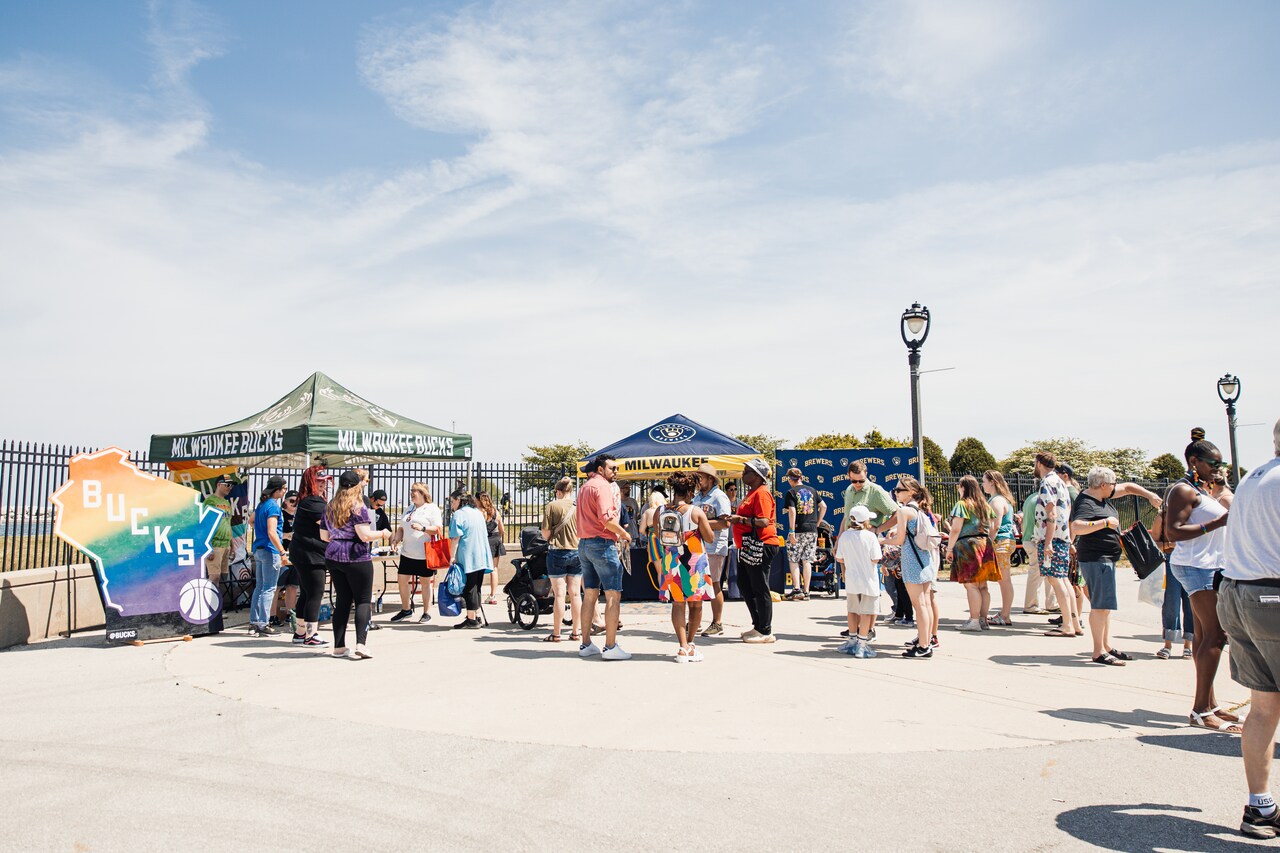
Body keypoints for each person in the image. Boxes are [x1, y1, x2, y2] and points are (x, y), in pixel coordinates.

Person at [1216, 418, 1280, 838]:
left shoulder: (1256, 476)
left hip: (1238, 593)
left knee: (1263, 707)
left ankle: (1260, 808)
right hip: (1271, 596)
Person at [1165, 437, 1236, 732]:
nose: (1217, 469)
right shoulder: (1182, 489)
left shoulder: (1199, 489)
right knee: (1216, 637)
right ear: (1194, 461)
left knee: (1206, 636)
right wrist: (1215, 524)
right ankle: (1200, 710)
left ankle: (1210, 704)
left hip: (1206, 566)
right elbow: (1173, 531)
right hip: (1196, 567)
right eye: (1213, 463)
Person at [1070, 466, 1162, 665]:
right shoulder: (1086, 502)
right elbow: (1076, 527)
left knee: (1106, 607)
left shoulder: (1102, 496)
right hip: (1096, 559)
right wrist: (1104, 523)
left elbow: (1128, 487)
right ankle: (1098, 652)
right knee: (1100, 606)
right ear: (1102, 485)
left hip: (1106, 558)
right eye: (1112, 484)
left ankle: (1106, 646)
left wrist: (1149, 495)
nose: (1115, 487)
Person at [321, 469, 389, 659]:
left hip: (333, 556)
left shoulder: (329, 507)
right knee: (363, 600)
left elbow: (323, 536)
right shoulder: (358, 507)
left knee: (342, 600)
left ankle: (339, 646)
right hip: (356, 555)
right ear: (357, 485)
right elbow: (364, 535)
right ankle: (361, 643)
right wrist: (384, 533)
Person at [652, 472, 716, 662]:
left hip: (672, 561)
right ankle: (691, 643)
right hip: (694, 562)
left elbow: (658, 535)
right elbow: (710, 538)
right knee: (696, 604)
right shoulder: (695, 511)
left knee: (678, 604)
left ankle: (682, 647)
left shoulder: (660, 511)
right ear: (690, 491)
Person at [576, 454, 633, 660]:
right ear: (601, 470)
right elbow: (607, 519)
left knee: (590, 594)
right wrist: (625, 534)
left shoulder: (584, 488)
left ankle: (585, 644)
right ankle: (610, 646)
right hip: (602, 543)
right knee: (612, 595)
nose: (615, 472)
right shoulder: (603, 488)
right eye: (612, 468)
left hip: (584, 543)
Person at [729, 458, 784, 644]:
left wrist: (741, 520)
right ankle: (758, 625)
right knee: (745, 585)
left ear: (758, 475)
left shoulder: (762, 494)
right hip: (747, 546)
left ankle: (766, 631)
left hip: (761, 544)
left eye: (747, 471)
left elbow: (763, 521)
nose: (743, 474)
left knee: (760, 587)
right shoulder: (751, 493)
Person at [1033, 453, 1083, 640]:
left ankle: (1068, 625)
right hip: (1062, 536)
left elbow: (1051, 514)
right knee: (1062, 579)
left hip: (1051, 537)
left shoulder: (1047, 483)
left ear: (1039, 464)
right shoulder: (1061, 483)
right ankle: (1074, 622)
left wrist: (1047, 542)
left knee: (1055, 579)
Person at [886, 475, 935, 657]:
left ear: (911, 492)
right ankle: (926, 640)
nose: (896, 493)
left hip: (912, 560)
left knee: (919, 604)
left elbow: (899, 539)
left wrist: (882, 539)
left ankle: (923, 646)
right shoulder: (919, 510)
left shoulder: (904, 511)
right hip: (924, 559)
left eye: (899, 490)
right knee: (925, 604)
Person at [946, 475, 1000, 632]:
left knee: (971, 586)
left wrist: (949, 548)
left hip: (968, 545)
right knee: (983, 586)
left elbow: (956, 528)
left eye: (959, 486)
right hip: (985, 543)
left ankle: (974, 620)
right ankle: (983, 619)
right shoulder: (984, 505)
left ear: (964, 487)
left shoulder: (962, 505)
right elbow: (992, 527)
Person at [288, 465, 330, 647]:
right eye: (319, 481)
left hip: (305, 553)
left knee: (306, 593)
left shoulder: (309, 501)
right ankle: (311, 635)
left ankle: (300, 633)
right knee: (315, 593)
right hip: (310, 555)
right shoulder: (313, 502)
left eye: (325, 481)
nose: (323, 485)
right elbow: (330, 525)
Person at [389, 483, 444, 624]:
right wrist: (396, 539)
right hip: (407, 552)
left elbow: (437, 529)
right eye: (411, 490)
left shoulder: (432, 508)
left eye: (415, 491)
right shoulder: (409, 508)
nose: (412, 493)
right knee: (402, 580)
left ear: (423, 492)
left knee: (426, 583)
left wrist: (423, 528)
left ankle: (426, 612)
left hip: (424, 553)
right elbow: (402, 527)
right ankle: (406, 610)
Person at [835, 505, 882, 658]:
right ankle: (862, 645)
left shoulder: (845, 536)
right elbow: (876, 558)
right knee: (867, 612)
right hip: (868, 580)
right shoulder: (870, 537)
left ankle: (852, 640)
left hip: (852, 579)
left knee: (852, 610)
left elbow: (839, 557)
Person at [692, 463, 732, 637]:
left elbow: (725, 523)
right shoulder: (697, 497)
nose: (698, 480)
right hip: (699, 545)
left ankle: (717, 622)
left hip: (715, 546)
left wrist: (702, 524)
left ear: (710, 478)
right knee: (698, 583)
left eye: (701, 477)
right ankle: (696, 621)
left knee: (714, 583)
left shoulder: (719, 497)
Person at [541, 478, 581, 643]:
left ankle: (556, 633)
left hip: (557, 552)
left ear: (558, 491)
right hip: (576, 551)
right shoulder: (578, 506)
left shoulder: (552, 506)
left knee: (559, 595)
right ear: (571, 491)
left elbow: (545, 532)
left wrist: (551, 537)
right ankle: (576, 632)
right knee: (576, 594)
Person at [447, 488, 493, 629]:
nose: (451, 505)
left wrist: (451, 556)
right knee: (476, 586)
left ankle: (471, 619)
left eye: (452, 501)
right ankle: (476, 615)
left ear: (459, 500)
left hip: (469, 555)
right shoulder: (478, 513)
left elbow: (455, 537)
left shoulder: (459, 515)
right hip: (482, 555)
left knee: (469, 588)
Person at [250, 475, 290, 636]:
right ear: (277, 490)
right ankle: (263, 623)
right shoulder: (273, 506)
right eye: (284, 489)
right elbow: (272, 531)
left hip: (258, 548)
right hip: (270, 550)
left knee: (259, 586)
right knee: (269, 588)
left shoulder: (261, 505)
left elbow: (251, 521)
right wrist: (282, 551)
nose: (285, 492)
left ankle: (254, 621)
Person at [783, 467, 826, 601]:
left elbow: (792, 511)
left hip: (798, 529)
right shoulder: (812, 490)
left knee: (794, 559)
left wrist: (791, 531)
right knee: (807, 559)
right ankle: (807, 591)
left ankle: (797, 589)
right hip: (812, 529)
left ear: (790, 479)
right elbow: (824, 506)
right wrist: (818, 522)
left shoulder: (791, 492)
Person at [982, 470, 1017, 626]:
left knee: (1004, 580)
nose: (982, 485)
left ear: (992, 482)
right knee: (1004, 579)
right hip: (1004, 541)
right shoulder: (1003, 500)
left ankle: (1005, 614)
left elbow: (995, 526)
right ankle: (1005, 613)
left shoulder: (996, 501)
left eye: (984, 481)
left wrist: (988, 543)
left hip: (1000, 542)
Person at [1021, 479, 1059, 615]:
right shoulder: (1042, 500)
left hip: (1028, 537)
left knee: (1043, 570)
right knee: (1038, 572)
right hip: (1036, 539)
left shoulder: (1030, 498)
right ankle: (1032, 604)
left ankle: (1051, 603)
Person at [270, 489, 301, 630]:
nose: (294, 504)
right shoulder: (280, 515)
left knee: (293, 586)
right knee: (277, 586)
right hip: (281, 553)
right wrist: (286, 535)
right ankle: (272, 616)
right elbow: (271, 533)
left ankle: (291, 613)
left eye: (297, 501)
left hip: (295, 556)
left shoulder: (300, 516)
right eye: (292, 501)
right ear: (285, 502)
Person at [839, 461, 897, 534]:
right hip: (848, 538)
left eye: (861, 480)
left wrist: (877, 530)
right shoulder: (849, 490)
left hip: (867, 539)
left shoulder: (875, 491)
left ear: (866, 474)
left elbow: (898, 514)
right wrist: (838, 541)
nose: (858, 484)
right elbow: (846, 517)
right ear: (848, 476)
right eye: (854, 481)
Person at [201, 475, 234, 595]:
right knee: (213, 576)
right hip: (215, 544)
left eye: (231, 485)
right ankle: (208, 608)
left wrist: (232, 546)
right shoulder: (210, 501)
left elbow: (228, 523)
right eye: (227, 485)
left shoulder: (226, 502)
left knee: (220, 577)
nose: (230, 488)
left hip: (225, 544)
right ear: (218, 485)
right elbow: (205, 525)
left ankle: (215, 609)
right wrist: (208, 546)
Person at [476, 493, 506, 606]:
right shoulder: (496, 512)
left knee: (479, 569)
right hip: (495, 540)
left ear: (479, 500)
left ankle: (477, 593)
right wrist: (498, 537)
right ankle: (493, 595)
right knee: (494, 569)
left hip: (483, 541)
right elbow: (501, 529)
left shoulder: (479, 512)